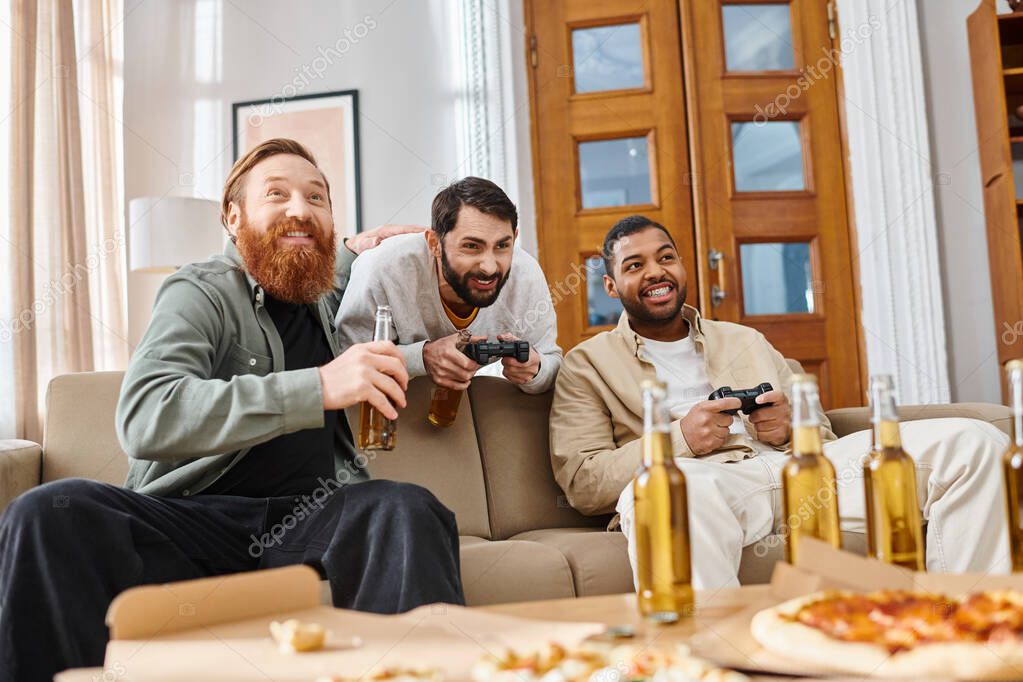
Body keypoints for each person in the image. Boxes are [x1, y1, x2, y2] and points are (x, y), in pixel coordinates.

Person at [0, 138, 464, 682]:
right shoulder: (199, 291)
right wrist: (318, 385)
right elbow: (147, 416)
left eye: (317, 197)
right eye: (277, 194)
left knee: (405, 507)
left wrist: (400, 288)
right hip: (193, 520)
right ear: (233, 216)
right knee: (49, 510)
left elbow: (355, 281)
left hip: (307, 516)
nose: (300, 207)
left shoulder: (338, 297)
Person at [550, 214, 1011, 590]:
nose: (655, 272)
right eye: (634, 266)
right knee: (669, 496)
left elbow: (823, 435)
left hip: (802, 476)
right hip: (707, 483)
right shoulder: (587, 365)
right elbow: (583, 484)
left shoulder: (745, 340)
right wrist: (679, 441)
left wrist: (791, 427)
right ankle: (720, 662)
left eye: (665, 257)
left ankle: (970, 632)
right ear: (611, 286)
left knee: (973, 442)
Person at [336, 177, 560, 398]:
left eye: (502, 245)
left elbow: (553, 362)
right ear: (434, 244)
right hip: (390, 407)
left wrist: (536, 371)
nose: (490, 267)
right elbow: (345, 363)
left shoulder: (526, 275)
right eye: (471, 246)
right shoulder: (382, 268)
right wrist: (422, 358)